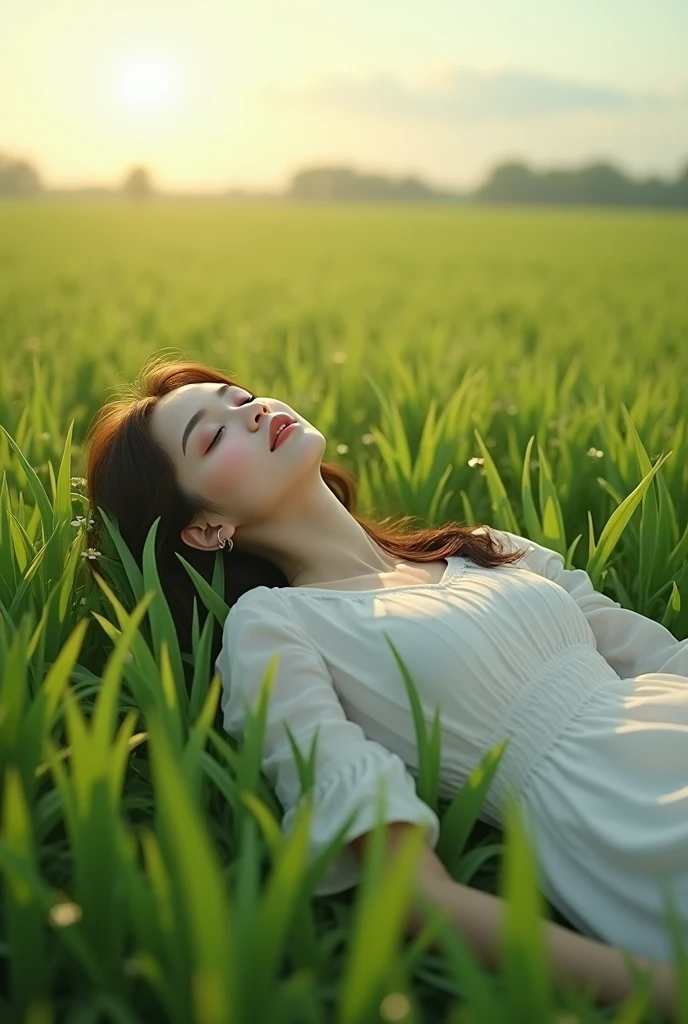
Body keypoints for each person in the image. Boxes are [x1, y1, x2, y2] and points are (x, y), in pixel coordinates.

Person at [83, 355, 687, 1015]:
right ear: (206, 528)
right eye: (212, 435)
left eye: (240, 397)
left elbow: (657, 655)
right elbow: (412, 895)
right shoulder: (274, 626)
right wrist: (657, 990)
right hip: (632, 817)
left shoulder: (482, 546)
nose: (251, 412)